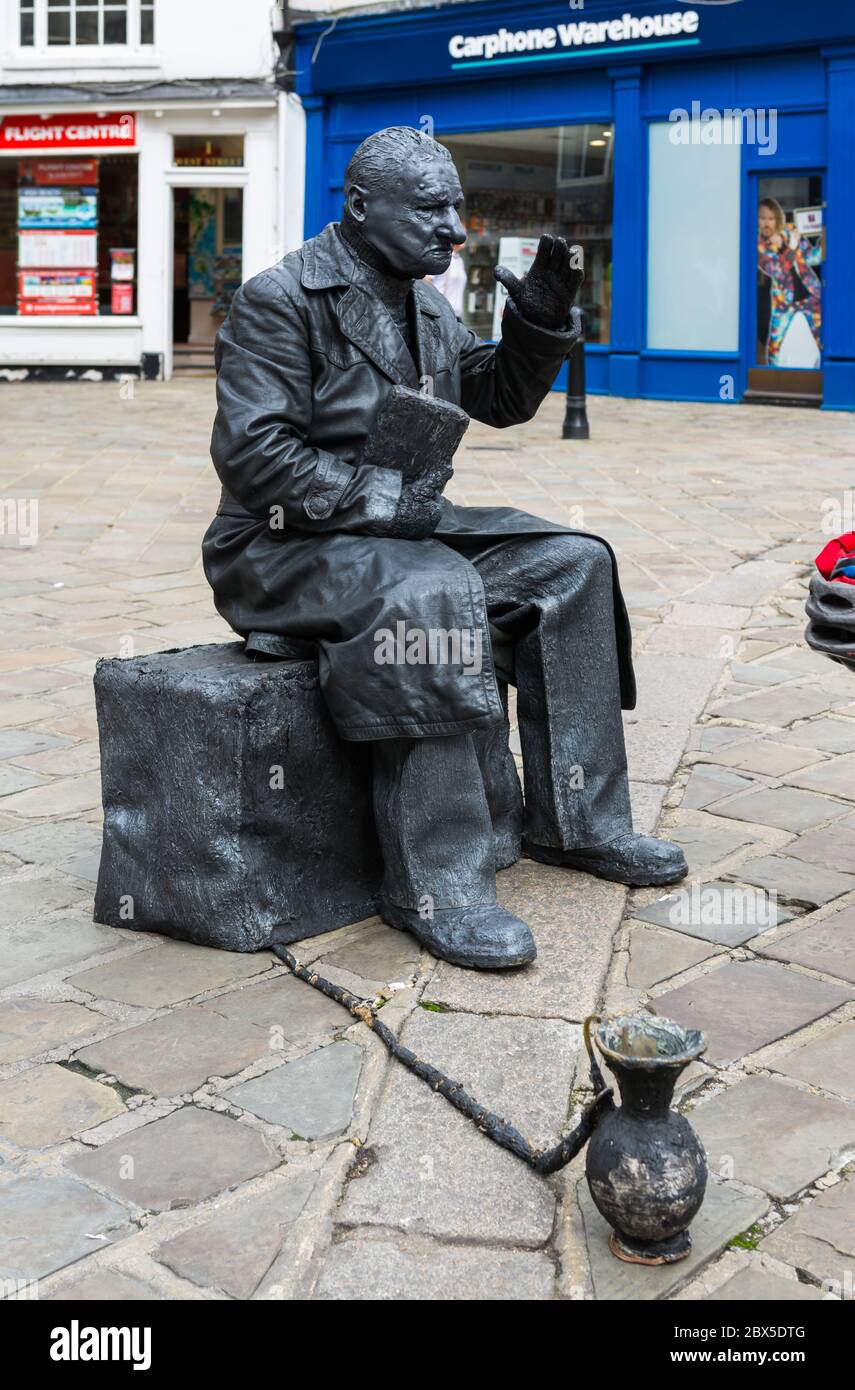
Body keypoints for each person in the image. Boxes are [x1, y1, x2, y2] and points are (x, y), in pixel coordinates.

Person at [203, 126, 687, 972]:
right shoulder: (280, 298)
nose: (454, 228)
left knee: (574, 564)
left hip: (399, 526)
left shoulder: (425, 303)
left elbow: (493, 400)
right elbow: (256, 456)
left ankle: (580, 822)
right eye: (430, 208)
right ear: (360, 206)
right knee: (432, 593)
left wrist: (535, 325)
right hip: (281, 546)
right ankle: (439, 883)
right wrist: (390, 505)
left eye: (455, 206)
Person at [757, 197, 822, 366]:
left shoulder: (791, 231)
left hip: (811, 296)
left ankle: (827, 379)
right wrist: (792, 246)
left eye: (770, 218)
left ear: (777, 218)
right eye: (762, 218)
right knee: (774, 347)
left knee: (824, 339)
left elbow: (812, 257)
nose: (766, 223)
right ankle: (772, 383)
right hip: (784, 302)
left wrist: (824, 239)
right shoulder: (759, 247)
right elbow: (779, 271)